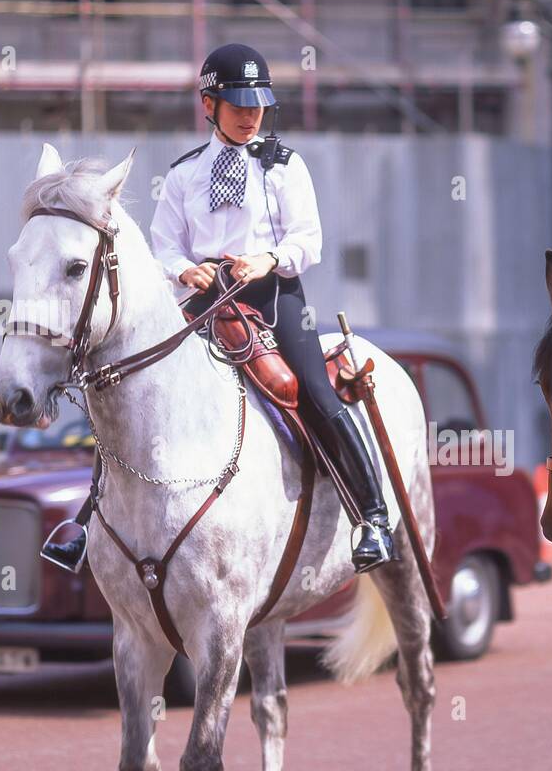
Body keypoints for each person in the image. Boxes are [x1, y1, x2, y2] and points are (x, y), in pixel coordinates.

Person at [41, 43, 395, 574]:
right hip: (206, 302)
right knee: (137, 391)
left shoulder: (285, 166)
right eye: (239, 105)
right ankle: (87, 520)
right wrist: (186, 270)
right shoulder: (184, 174)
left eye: (258, 105)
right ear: (209, 106)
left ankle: (371, 518)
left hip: (275, 297)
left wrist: (267, 259)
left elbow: (310, 241)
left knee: (316, 390)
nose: (252, 115)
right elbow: (163, 246)